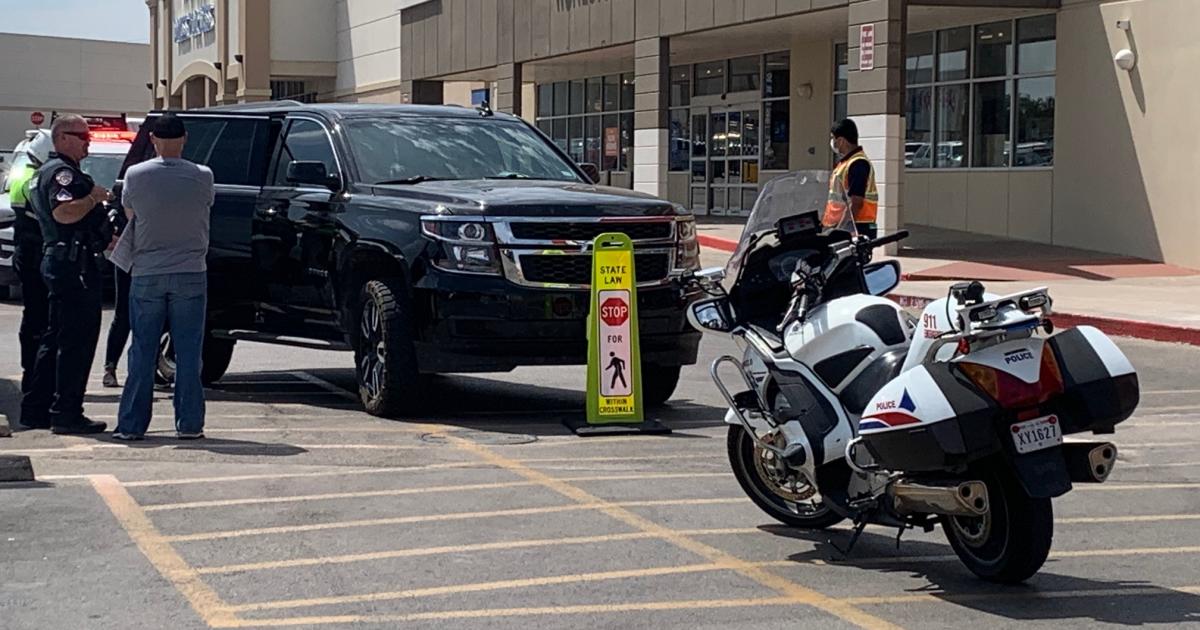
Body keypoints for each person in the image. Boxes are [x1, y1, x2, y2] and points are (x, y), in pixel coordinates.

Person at [113, 114, 213, 441]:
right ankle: (190, 424)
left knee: (142, 349)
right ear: (184, 139)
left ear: (153, 139)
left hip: (147, 270)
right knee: (188, 352)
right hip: (191, 271)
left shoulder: (135, 174)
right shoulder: (203, 175)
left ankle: (132, 425)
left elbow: (131, 213)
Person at [20, 116, 112, 434]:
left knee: (55, 337)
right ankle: (66, 412)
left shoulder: (47, 172)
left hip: (61, 261)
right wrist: (94, 197)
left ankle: (37, 409)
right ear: (61, 138)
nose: (88, 142)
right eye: (82, 136)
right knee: (76, 342)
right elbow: (64, 212)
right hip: (74, 266)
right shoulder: (62, 174)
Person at [8, 131, 53, 398]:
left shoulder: (22, 171)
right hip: (35, 251)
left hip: (26, 250)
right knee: (39, 317)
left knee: (33, 315)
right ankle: (35, 376)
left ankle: (32, 374)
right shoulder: (33, 177)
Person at [825, 118, 880, 239]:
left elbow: (856, 203)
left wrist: (840, 230)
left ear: (841, 140)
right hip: (843, 226)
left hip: (856, 227)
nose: (832, 143)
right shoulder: (846, 162)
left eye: (833, 138)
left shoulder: (857, 164)